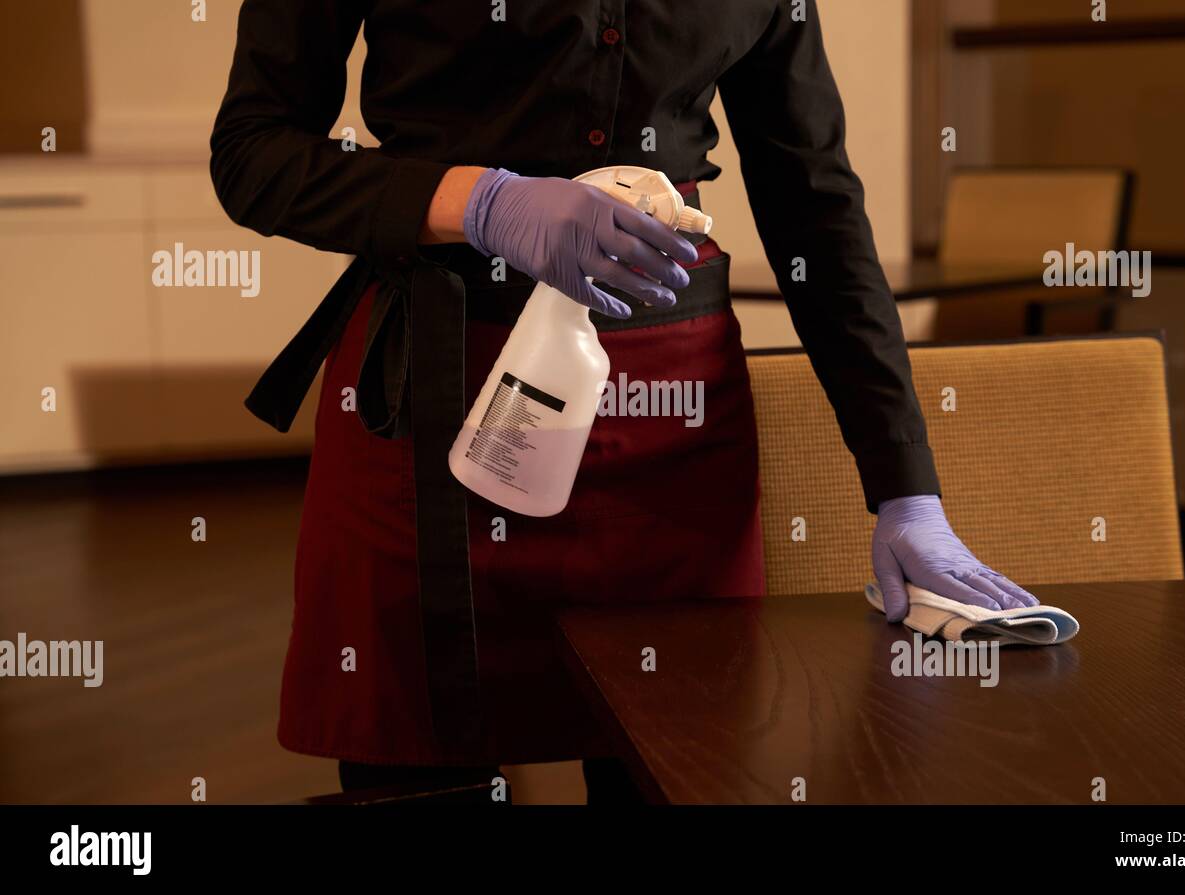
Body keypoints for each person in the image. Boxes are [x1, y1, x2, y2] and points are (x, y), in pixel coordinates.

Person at [210, 0, 1039, 804]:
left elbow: (813, 203)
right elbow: (252, 152)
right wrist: (483, 202)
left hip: (671, 421)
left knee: (674, 762)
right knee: (422, 762)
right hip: (432, 388)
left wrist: (906, 485)